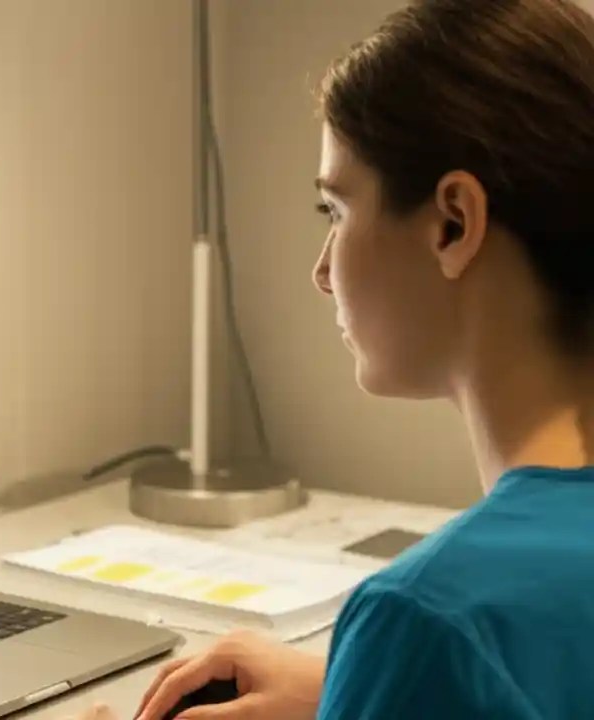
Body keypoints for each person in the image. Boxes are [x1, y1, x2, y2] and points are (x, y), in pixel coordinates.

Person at [75, 0, 594, 717]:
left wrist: (392, 667)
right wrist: (350, 693)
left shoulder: (428, 616)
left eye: (337, 212)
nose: (323, 272)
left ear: (453, 223)